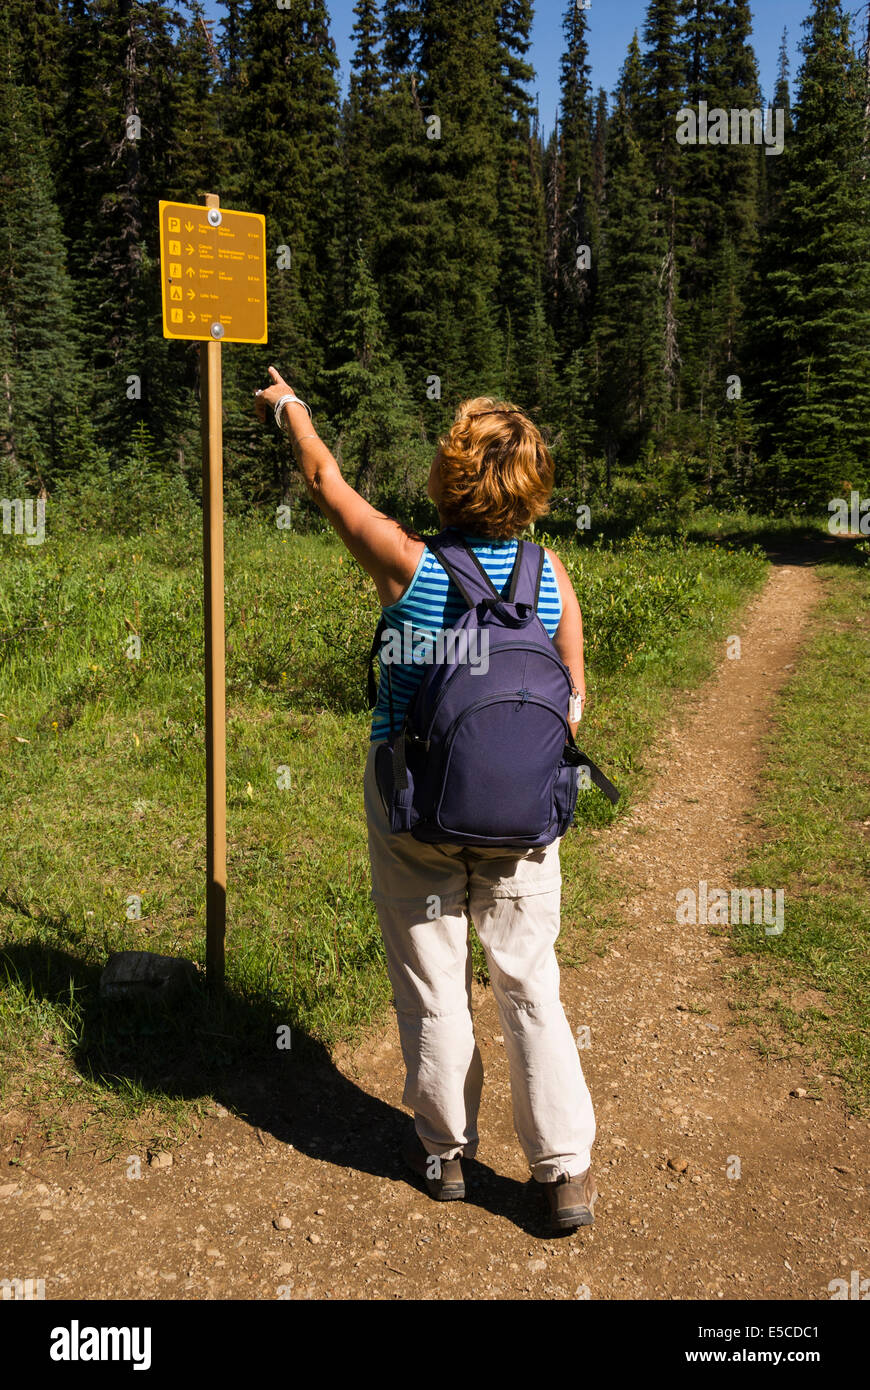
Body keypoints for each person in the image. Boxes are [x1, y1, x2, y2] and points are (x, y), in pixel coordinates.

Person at [255, 367, 597, 1233]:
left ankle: (443, 1152)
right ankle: (562, 1176)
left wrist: (292, 409)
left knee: (434, 982)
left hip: (416, 809)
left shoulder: (411, 565)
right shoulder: (549, 574)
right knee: (530, 985)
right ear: (533, 486)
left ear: (450, 477)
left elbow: (329, 487)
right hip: (525, 817)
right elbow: (573, 703)